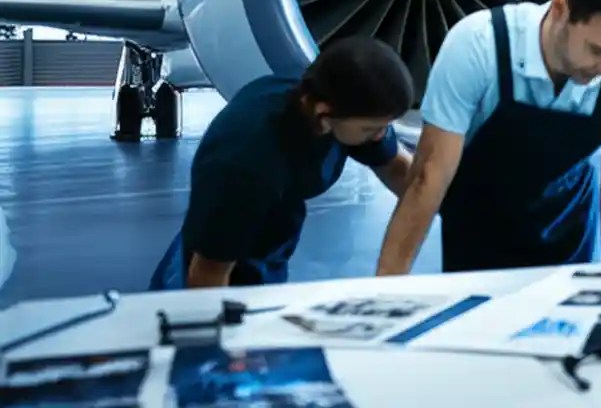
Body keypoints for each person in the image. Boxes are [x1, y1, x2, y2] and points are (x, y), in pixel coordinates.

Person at [375, 0, 601, 274]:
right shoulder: (478, 45)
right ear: (561, 9)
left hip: (567, 231)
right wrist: (384, 290)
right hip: (477, 231)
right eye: (597, 50)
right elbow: (428, 178)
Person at [149, 36, 418, 289]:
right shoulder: (246, 159)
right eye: (372, 129)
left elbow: (398, 170)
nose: (380, 136)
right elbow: (208, 274)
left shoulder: (338, 101)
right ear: (324, 113)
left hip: (270, 237)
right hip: (214, 253)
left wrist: (453, 211)